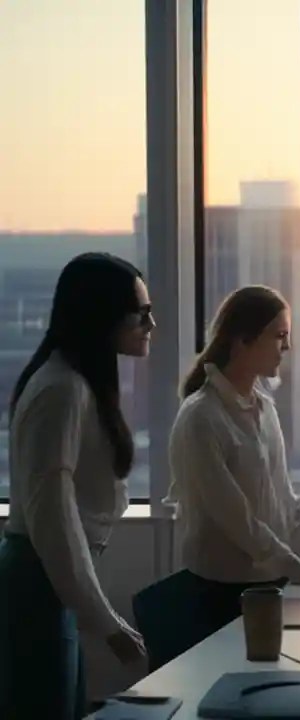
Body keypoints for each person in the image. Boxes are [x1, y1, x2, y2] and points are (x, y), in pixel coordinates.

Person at [163, 286, 300, 660]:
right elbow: (238, 520)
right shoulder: (202, 417)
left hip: (272, 581)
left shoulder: (264, 407)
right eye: (279, 336)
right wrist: (298, 567)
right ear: (242, 340)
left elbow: (285, 494)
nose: (287, 347)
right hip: (222, 592)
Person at [0, 253, 152, 719]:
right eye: (140, 313)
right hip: (36, 583)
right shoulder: (62, 389)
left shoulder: (78, 383)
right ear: (102, 316)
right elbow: (54, 520)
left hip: (47, 584)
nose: (151, 323)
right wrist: (104, 620)